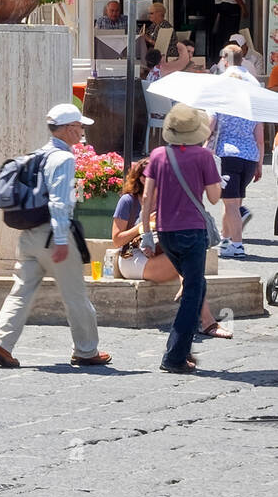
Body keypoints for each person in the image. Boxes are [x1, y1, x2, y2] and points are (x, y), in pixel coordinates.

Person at [0, 104, 110, 369]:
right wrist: (62, 240)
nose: (82, 131)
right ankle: (86, 351)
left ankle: (0, 342)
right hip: (52, 235)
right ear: (68, 129)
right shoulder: (63, 159)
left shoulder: (37, 154)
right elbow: (59, 202)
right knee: (75, 294)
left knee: (20, 291)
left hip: (29, 235)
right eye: (79, 126)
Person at [140, 104, 223, 374]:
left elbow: (146, 198)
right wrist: (217, 179)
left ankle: (183, 351)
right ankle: (174, 355)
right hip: (192, 230)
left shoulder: (157, 154)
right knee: (193, 292)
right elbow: (213, 197)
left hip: (165, 231)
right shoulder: (203, 157)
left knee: (194, 286)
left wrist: (147, 235)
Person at [111, 158, 229, 338]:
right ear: (143, 179)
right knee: (188, 265)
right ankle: (207, 322)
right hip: (133, 258)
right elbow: (117, 240)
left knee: (189, 258)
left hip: (161, 254)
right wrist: (142, 227)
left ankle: (199, 308)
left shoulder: (168, 201)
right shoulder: (128, 201)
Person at [210, 69, 263, 257]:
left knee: (231, 204)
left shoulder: (220, 105)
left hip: (229, 155)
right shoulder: (251, 107)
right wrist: (259, 163)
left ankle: (238, 245)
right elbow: (259, 138)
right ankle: (225, 240)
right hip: (250, 157)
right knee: (232, 201)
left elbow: (209, 129)